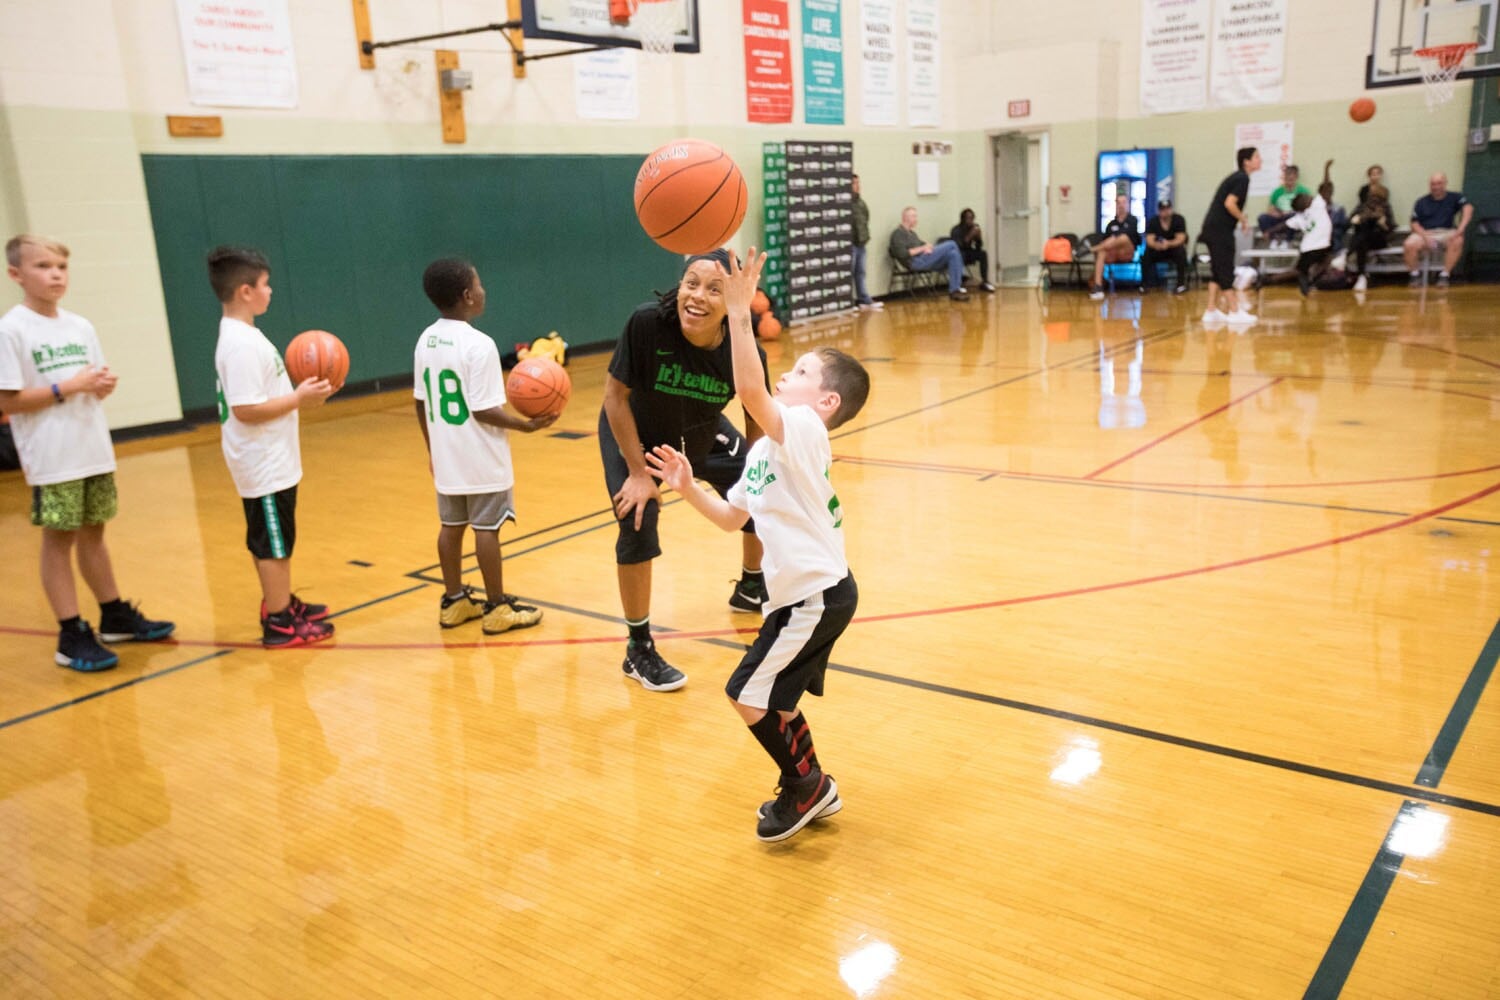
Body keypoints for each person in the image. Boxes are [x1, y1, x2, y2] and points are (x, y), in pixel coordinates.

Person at [644, 246, 870, 843]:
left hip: (817, 594)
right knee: (778, 701)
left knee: (746, 693)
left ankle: (806, 788)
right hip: (803, 597)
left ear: (826, 403)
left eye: (798, 374)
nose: (785, 376)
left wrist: (740, 314)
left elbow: (749, 391)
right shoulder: (766, 451)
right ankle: (811, 783)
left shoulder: (802, 429)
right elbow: (729, 518)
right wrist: (689, 487)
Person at [0, 235, 174, 672]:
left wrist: (99, 386)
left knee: (95, 531)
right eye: (43, 266)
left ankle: (114, 614)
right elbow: (8, 401)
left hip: (91, 447)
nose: (56, 274)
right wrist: (68, 387)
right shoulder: (12, 329)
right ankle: (70, 632)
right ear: (16, 275)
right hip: (53, 456)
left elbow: (91, 383)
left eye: (61, 266)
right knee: (59, 540)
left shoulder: (80, 326)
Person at [600, 249, 769, 693]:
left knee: (755, 490)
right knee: (638, 516)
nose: (697, 296)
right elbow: (614, 399)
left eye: (715, 289)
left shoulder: (742, 342)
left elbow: (757, 416)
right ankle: (638, 648)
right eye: (691, 284)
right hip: (638, 434)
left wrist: (759, 476)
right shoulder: (647, 323)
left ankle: (752, 586)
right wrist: (638, 473)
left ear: (733, 300)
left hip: (700, 429)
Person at [413, 258, 553, 634]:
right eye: (479, 284)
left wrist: (432, 449)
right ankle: (497, 608)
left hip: (447, 456)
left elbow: (420, 401)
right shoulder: (480, 345)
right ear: (467, 296)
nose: (484, 290)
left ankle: (454, 601)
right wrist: (525, 426)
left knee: (451, 525)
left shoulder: (426, 338)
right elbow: (483, 409)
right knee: (487, 529)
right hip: (480, 458)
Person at [208, 245, 336, 648]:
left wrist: (304, 394)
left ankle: (279, 603)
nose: (271, 291)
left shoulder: (244, 334)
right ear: (245, 291)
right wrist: (299, 399)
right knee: (273, 544)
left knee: (277, 539)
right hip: (262, 462)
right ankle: (279, 622)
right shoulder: (241, 344)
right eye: (265, 284)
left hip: (271, 458)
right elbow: (246, 409)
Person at [1200, 147, 1260, 325]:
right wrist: (1243, 219)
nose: (1260, 160)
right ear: (1246, 161)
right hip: (1219, 230)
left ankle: (1211, 310)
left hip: (1213, 228)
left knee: (1217, 270)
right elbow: (1230, 203)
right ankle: (1234, 311)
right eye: (1256, 157)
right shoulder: (1242, 178)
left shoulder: (1238, 177)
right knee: (1225, 268)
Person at [1404, 172, 1473, 287]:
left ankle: (1445, 275)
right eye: (1433, 184)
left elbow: (1468, 208)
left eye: (1439, 183)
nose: (1436, 187)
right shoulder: (1421, 202)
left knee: (1458, 240)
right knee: (1409, 244)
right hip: (1425, 233)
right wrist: (1425, 236)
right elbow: (1414, 223)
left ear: (1445, 183)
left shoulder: (1455, 197)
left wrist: (1461, 228)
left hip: (1446, 232)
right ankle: (1414, 275)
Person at [888, 207, 969, 301]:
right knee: (951, 244)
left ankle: (954, 291)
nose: (916, 219)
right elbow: (902, 254)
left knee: (953, 254)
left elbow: (921, 244)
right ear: (905, 218)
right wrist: (922, 248)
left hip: (924, 259)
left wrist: (927, 246)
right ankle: (961, 279)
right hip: (915, 262)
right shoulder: (898, 234)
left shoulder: (912, 233)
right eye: (914, 216)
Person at [1086, 194, 1142, 299]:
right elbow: (1105, 242)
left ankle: (1089, 249)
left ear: (1128, 204)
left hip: (1126, 253)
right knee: (1102, 251)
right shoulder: (1111, 224)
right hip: (1112, 254)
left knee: (1123, 238)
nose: (1121, 205)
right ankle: (1098, 287)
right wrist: (1110, 241)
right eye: (1118, 202)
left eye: (1124, 202)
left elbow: (1125, 236)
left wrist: (1113, 239)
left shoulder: (1132, 220)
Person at [1348, 182, 1395, 291]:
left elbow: (1391, 228)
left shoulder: (1386, 207)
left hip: (1379, 240)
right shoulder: (1363, 206)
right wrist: (1360, 218)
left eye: (1376, 197)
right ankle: (1361, 276)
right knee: (1362, 238)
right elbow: (1351, 219)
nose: (1374, 199)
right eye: (1372, 196)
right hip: (1363, 241)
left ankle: (1347, 257)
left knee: (1363, 236)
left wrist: (1383, 224)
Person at [1286, 190, 1332, 296]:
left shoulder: (1302, 215)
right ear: (1304, 205)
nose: (1309, 196)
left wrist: (1269, 231)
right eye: (1306, 197)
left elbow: (1284, 225)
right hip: (1314, 247)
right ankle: (1268, 280)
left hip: (1314, 246)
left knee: (1324, 262)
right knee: (1299, 271)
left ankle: (1308, 283)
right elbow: (1326, 186)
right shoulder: (1317, 205)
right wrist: (1327, 172)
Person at [1141, 199, 1189, 293]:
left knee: (1181, 252)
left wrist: (1168, 244)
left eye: (1167, 209)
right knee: (1146, 254)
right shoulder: (1153, 221)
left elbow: (1181, 238)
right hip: (1158, 250)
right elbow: (1149, 240)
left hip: (1172, 249)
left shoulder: (1179, 219)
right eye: (1163, 209)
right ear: (1159, 211)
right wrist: (1156, 245)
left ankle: (1181, 284)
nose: (1166, 212)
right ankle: (1144, 285)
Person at [1258, 164, 1311, 245]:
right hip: (1280, 217)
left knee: (1293, 217)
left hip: (1294, 218)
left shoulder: (1303, 191)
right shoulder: (1277, 192)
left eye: (1291, 179)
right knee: (1262, 218)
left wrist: (1291, 213)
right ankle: (1273, 240)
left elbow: (1308, 210)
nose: (1289, 182)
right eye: (1287, 179)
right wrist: (1276, 213)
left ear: (1296, 178)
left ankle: (1287, 241)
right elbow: (1270, 209)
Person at [850, 175, 881, 311]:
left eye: (858, 183)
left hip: (861, 243)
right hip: (850, 244)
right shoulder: (845, 203)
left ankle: (864, 299)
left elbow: (866, 219)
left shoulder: (861, 203)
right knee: (849, 273)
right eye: (854, 183)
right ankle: (848, 301)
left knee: (861, 272)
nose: (857, 186)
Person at [949, 209, 996, 292]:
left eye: (972, 218)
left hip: (968, 252)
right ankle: (958, 284)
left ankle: (985, 281)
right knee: (960, 255)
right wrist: (970, 236)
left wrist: (979, 238)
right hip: (958, 254)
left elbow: (978, 247)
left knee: (983, 254)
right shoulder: (956, 230)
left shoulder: (973, 227)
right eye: (968, 218)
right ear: (963, 219)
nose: (970, 221)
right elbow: (958, 246)